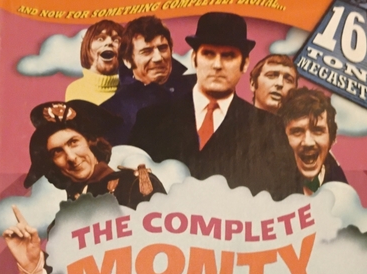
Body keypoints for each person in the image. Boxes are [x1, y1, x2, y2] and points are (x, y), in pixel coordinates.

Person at [3, 99, 164, 274]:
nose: (70, 157)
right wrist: (32, 266)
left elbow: (166, 262)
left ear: (90, 141)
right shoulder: (60, 225)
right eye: (57, 152)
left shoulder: (134, 185)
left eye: (73, 142)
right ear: (53, 164)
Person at [129, 12, 296, 200]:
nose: (217, 65)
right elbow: (128, 195)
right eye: (208, 54)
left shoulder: (269, 128)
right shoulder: (150, 120)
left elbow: (288, 201)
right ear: (194, 59)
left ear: (244, 64)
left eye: (228, 56)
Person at [101, 16, 195, 145]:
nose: (158, 58)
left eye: (162, 48)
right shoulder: (111, 111)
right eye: (146, 51)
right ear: (128, 61)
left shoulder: (197, 88)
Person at [277, 87, 347, 195]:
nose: (308, 142)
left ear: (331, 139)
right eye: (297, 131)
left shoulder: (340, 185)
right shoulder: (264, 182)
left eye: (317, 131)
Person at [65, 20, 124, 105]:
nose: (109, 42)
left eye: (116, 40)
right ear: (87, 48)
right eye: (100, 39)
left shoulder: (133, 92)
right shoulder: (75, 90)